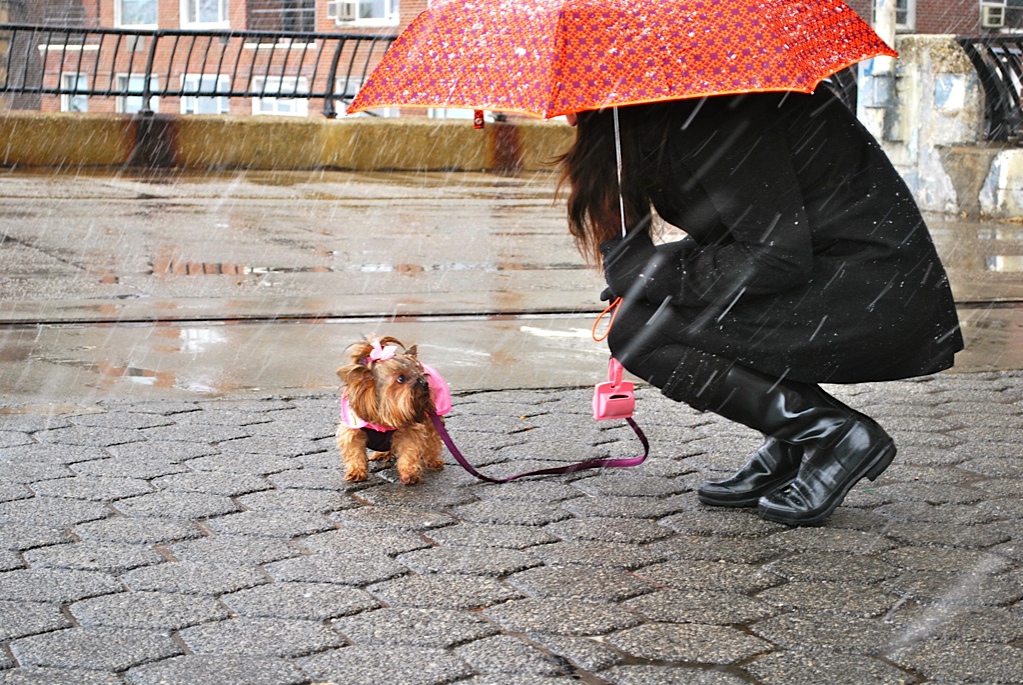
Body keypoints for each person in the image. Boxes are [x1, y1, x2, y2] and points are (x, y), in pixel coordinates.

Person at [559, 88, 963, 526]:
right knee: (641, 316)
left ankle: (833, 435)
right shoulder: (663, 121)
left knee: (640, 331)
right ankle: (793, 440)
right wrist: (638, 263)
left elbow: (777, 255)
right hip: (831, 279)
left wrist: (656, 274)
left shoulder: (724, 112)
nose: (563, 111)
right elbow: (743, 234)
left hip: (871, 292)